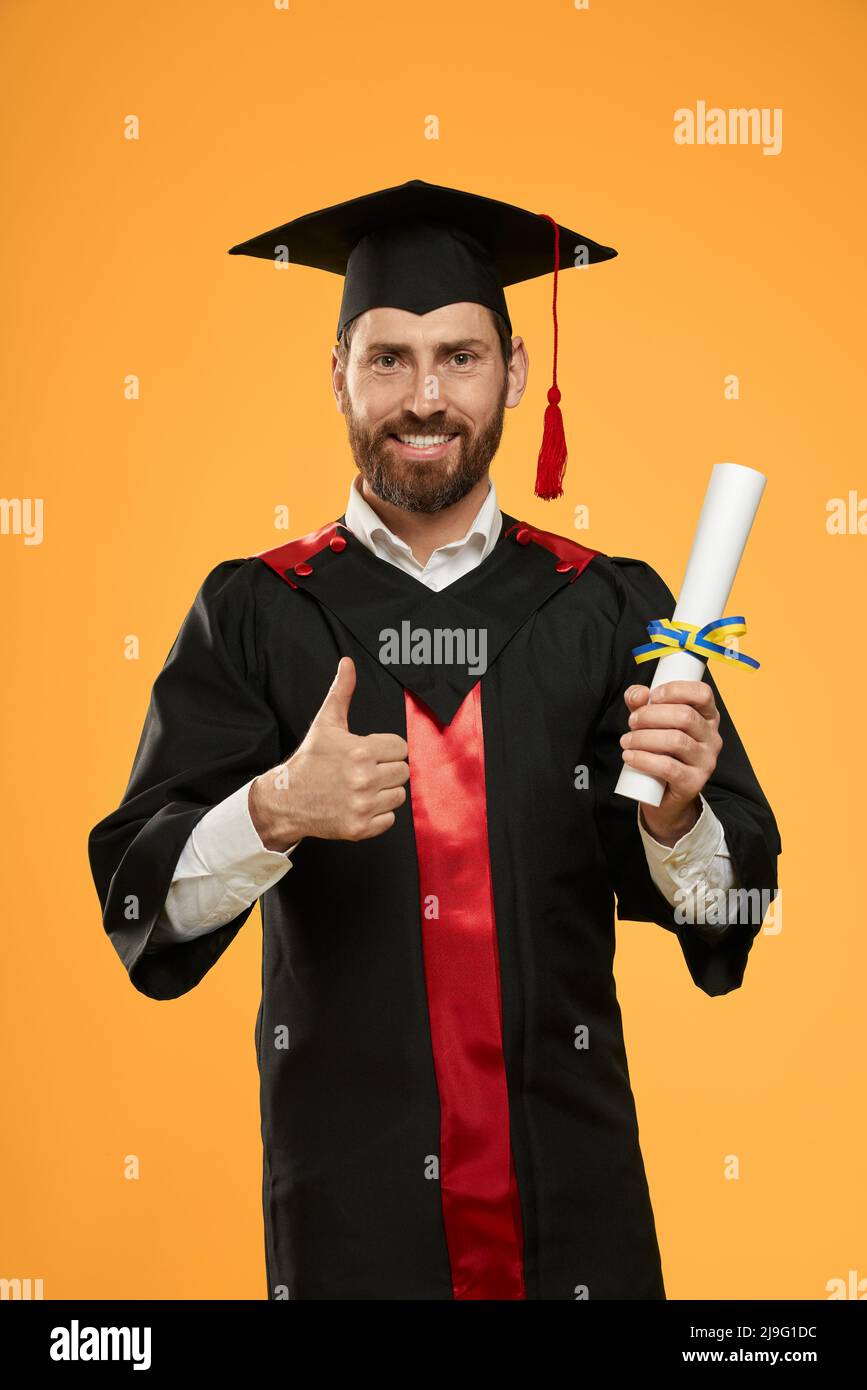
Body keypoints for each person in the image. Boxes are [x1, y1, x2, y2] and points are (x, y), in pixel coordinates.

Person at [88, 179, 781, 1301]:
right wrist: (272, 812)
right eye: (388, 358)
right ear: (338, 375)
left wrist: (675, 816)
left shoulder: (610, 609)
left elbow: (733, 914)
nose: (424, 397)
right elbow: (137, 906)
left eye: (459, 357)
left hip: (576, 1207)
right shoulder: (255, 610)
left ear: (514, 371)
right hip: (353, 1217)